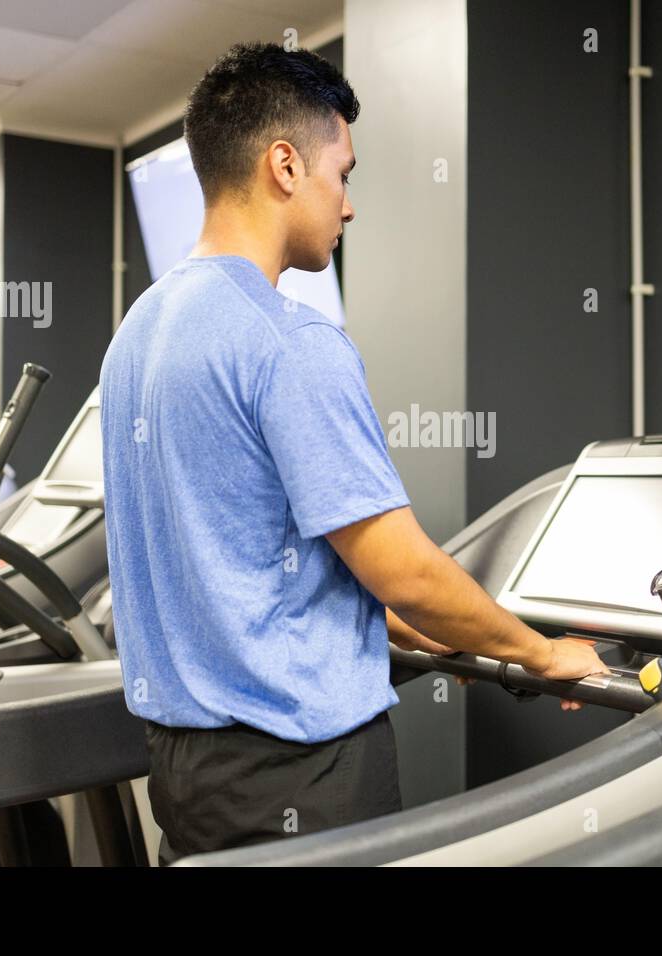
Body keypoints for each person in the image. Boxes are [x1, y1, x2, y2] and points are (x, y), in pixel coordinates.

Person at [99, 42, 608, 863]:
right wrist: (543, 654)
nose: (349, 205)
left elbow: (246, 557)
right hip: (300, 775)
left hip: (188, 772)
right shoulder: (289, 340)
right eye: (344, 173)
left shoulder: (135, 337)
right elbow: (399, 567)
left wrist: (460, 634)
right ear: (286, 165)